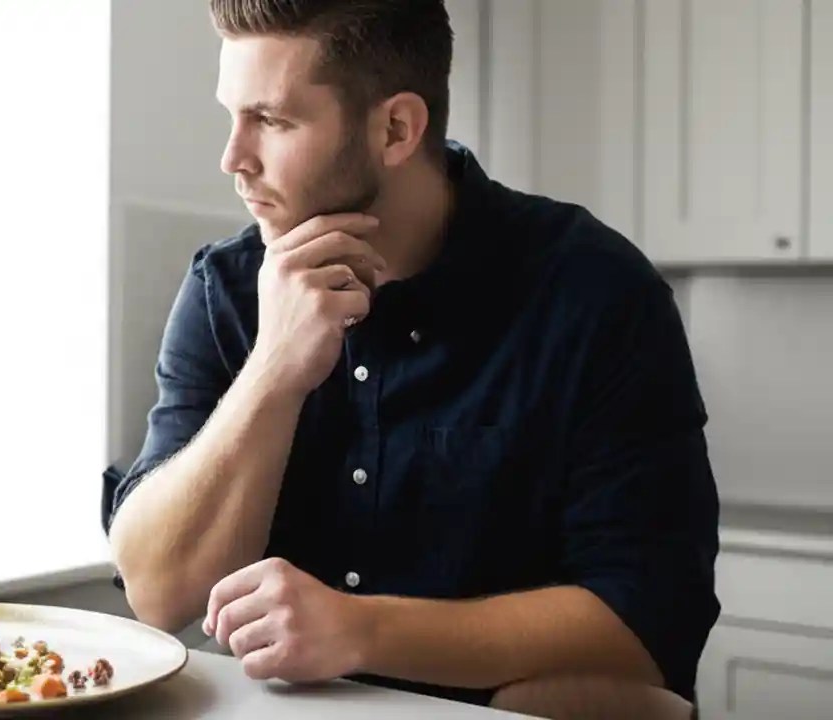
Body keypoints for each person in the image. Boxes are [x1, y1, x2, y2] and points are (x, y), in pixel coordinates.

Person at [105, 0, 719, 715]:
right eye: (232, 115)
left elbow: (647, 621)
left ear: (397, 128)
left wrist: (363, 630)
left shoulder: (594, 292)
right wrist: (273, 371)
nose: (233, 158)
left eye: (271, 120)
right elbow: (155, 595)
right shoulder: (227, 292)